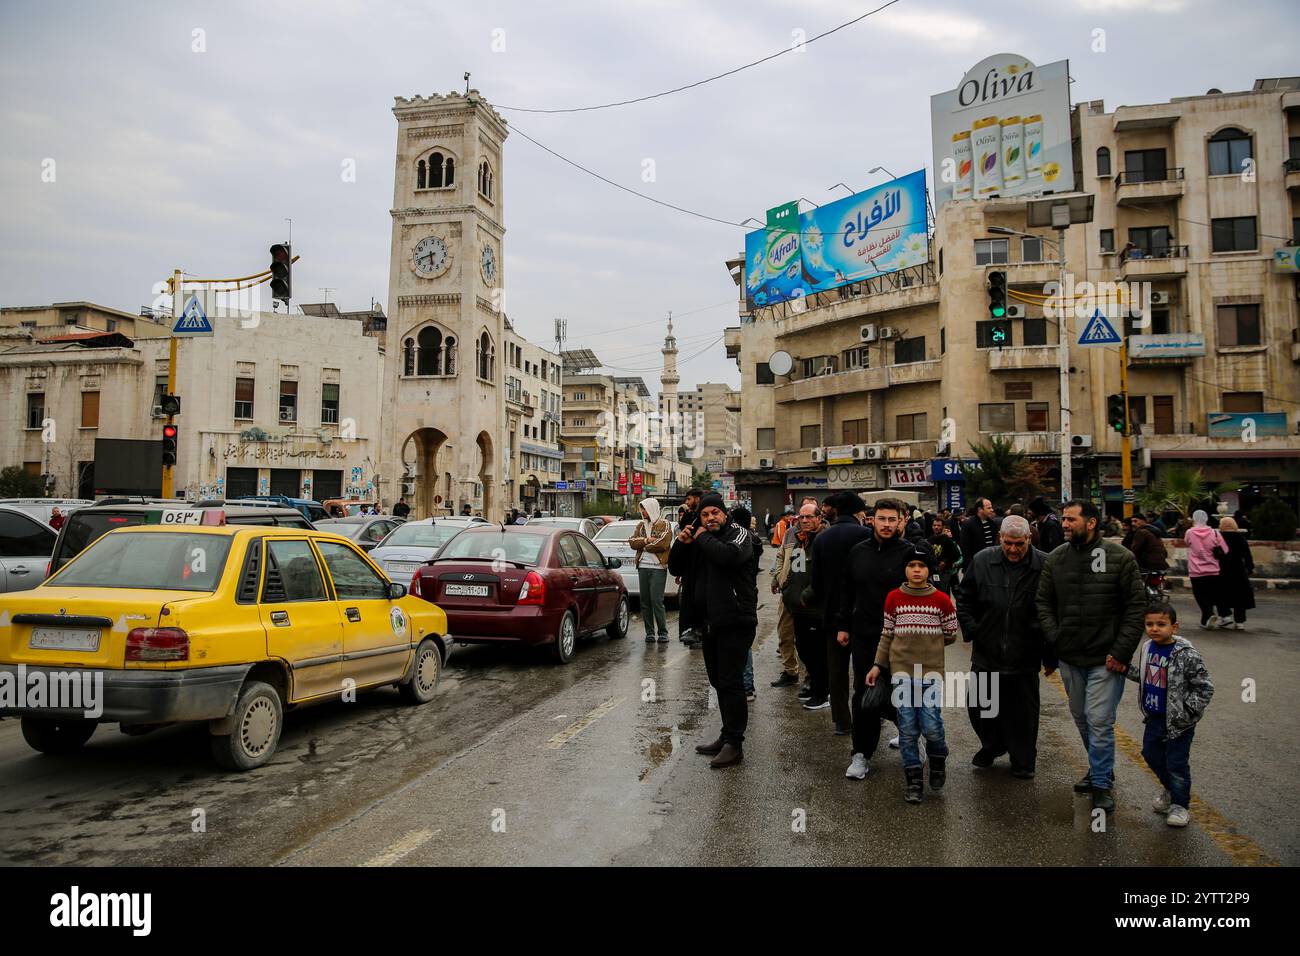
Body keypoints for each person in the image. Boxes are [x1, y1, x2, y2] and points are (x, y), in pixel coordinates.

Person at [1036, 500, 1146, 814]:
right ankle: (1101, 769)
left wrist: (1120, 652)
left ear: (1092, 522)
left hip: (1106, 660)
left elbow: (1135, 609)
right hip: (1070, 657)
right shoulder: (1057, 558)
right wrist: (1055, 636)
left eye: (1071, 519)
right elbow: (1044, 602)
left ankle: (1101, 785)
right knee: (1083, 718)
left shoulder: (1121, 558)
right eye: (1063, 519)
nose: (1065, 525)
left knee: (1099, 721)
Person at [957, 515, 1053, 778]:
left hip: (1025, 652)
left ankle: (1023, 761)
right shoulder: (982, 560)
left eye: (1019, 544)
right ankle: (992, 745)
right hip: (988, 650)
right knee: (980, 705)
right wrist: (973, 630)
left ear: (1029, 540)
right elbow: (964, 600)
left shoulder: (1044, 564)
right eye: (1008, 543)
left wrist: (1050, 651)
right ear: (1000, 538)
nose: (1013, 549)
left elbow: (1054, 609)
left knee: (1022, 713)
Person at [668, 492, 758, 768]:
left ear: (724, 513)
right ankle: (726, 734)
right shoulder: (697, 538)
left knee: (731, 682)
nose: (710, 519)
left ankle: (735, 744)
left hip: (735, 621)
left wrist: (700, 535)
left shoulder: (739, 534)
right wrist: (681, 544)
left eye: (714, 513)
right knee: (719, 680)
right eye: (705, 514)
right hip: (708, 622)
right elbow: (675, 568)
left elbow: (727, 556)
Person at [865, 545, 958, 803]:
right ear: (904, 569)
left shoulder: (941, 599)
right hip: (901, 673)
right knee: (907, 729)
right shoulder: (893, 598)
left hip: (930, 675)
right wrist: (877, 665)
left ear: (930, 569)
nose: (917, 570)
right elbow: (887, 635)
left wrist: (927, 644)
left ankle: (938, 758)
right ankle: (914, 779)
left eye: (922, 566)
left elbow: (950, 634)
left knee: (931, 726)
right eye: (911, 566)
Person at [834, 498, 915, 779]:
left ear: (901, 521)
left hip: (902, 638)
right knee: (865, 693)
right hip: (865, 634)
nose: (887, 525)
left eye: (892, 520)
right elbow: (847, 591)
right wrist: (843, 625)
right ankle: (861, 753)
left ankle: (912, 740)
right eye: (882, 519)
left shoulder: (910, 554)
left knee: (902, 692)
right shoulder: (858, 552)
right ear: (871, 519)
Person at [1125, 603, 1214, 828]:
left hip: (1178, 722)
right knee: (1151, 755)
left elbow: (1205, 687)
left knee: (1176, 763)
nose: (1154, 629)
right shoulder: (1147, 648)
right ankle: (1170, 790)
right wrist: (1123, 669)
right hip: (1154, 718)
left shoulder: (1186, 654)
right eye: (1149, 624)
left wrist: (1188, 712)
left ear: (1174, 627)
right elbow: (1146, 677)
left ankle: (1180, 806)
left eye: (1161, 624)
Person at [809, 492, 873, 731]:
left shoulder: (822, 539)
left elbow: (815, 583)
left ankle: (842, 721)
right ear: (858, 513)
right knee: (864, 670)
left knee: (836, 673)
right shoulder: (866, 534)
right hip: (863, 614)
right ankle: (866, 716)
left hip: (832, 615)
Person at [775, 502, 823, 695]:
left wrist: (806, 595)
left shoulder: (822, 538)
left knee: (809, 644)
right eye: (801, 517)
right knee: (785, 635)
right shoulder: (793, 535)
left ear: (818, 517)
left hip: (810, 603)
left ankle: (812, 678)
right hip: (789, 596)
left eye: (809, 516)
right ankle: (790, 671)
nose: (804, 520)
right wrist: (779, 579)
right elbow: (783, 559)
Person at [730, 506, 764, 701]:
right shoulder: (754, 539)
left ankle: (747, 686)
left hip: (743, 594)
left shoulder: (744, 540)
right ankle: (746, 685)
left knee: (742, 642)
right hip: (749, 592)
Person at [628, 497, 673, 644]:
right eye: (641, 509)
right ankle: (649, 633)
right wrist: (647, 540)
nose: (642, 512)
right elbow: (632, 542)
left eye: (645, 508)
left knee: (656, 600)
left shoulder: (664, 524)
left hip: (658, 568)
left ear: (652, 509)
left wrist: (644, 546)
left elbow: (663, 543)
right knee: (645, 601)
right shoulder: (641, 525)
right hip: (643, 567)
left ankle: (662, 632)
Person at [1184, 510, 1230, 629]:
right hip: (1213, 569)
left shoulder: (1190, 532)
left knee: (1200, 594)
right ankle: (1208, 619)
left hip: (1196, 570)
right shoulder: (1215, 532)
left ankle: (1208, 614)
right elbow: (1225, 550)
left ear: (1194, 519)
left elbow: (1187, 543)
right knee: (1212, 593)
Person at [676, 488, 705, 646]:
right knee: (688, 601)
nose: (687, 502)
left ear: (697, 498)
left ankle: (700, 631)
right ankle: (690, 630)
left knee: (699, 600)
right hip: (689, 566)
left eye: (689, 499)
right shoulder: (690, 515)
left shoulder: (703, 518)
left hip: (701, 566)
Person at [1214, 516, 1254, 630]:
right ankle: (1240, 622)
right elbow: (1247, 555)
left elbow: (1215, 554)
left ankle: (1224, 616)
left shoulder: (1219, 538)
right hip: (1238, 570)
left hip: (1222, 570)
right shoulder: (1241, 538)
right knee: (1240, 596)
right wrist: (1250, 568)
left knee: (1222, 594)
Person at [959, 498, 1001, 567]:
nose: (992, 510)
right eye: (989, 508)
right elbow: (965, 547)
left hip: (991, 564)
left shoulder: (992, 523)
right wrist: (970, 566)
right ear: (980, 509)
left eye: (991, 507)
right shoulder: (968, 524)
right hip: (975, 564)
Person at [927, 516, 962, 594]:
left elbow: (956, 555)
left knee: (944, 593)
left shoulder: (948, 540)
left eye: (938, 525)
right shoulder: (929, 540)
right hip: (933, 572)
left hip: (945, 573)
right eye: (934, 525)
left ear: (943, 527)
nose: (936, 527)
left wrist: (945, 561)